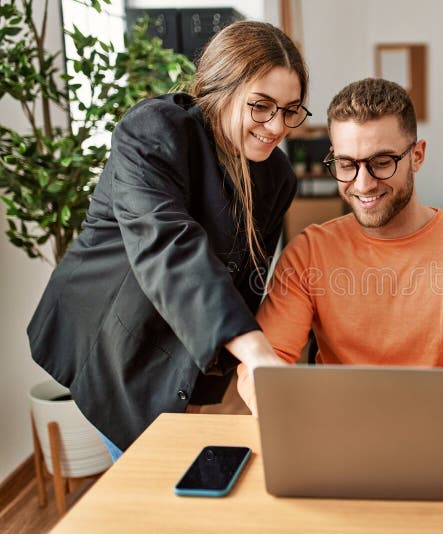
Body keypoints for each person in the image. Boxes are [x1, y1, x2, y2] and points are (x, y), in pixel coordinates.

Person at [27, 21, 304, 457]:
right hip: (113, 335)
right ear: (219, 89)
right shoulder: (155, 131)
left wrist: (239, 372)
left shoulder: (276, 177)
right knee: (147, 483)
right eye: (262, 106)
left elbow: (247, 279)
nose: (276, 126)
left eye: (290, 110)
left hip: (184, 343)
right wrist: (258, 353)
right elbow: (169, 245)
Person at [250, 78, 443, 435]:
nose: (363, 184)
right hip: (339, 436)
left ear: (417, 155)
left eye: (381, 162)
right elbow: (263, 365)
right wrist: (286, 408)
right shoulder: (309, 254)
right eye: (346, 164)